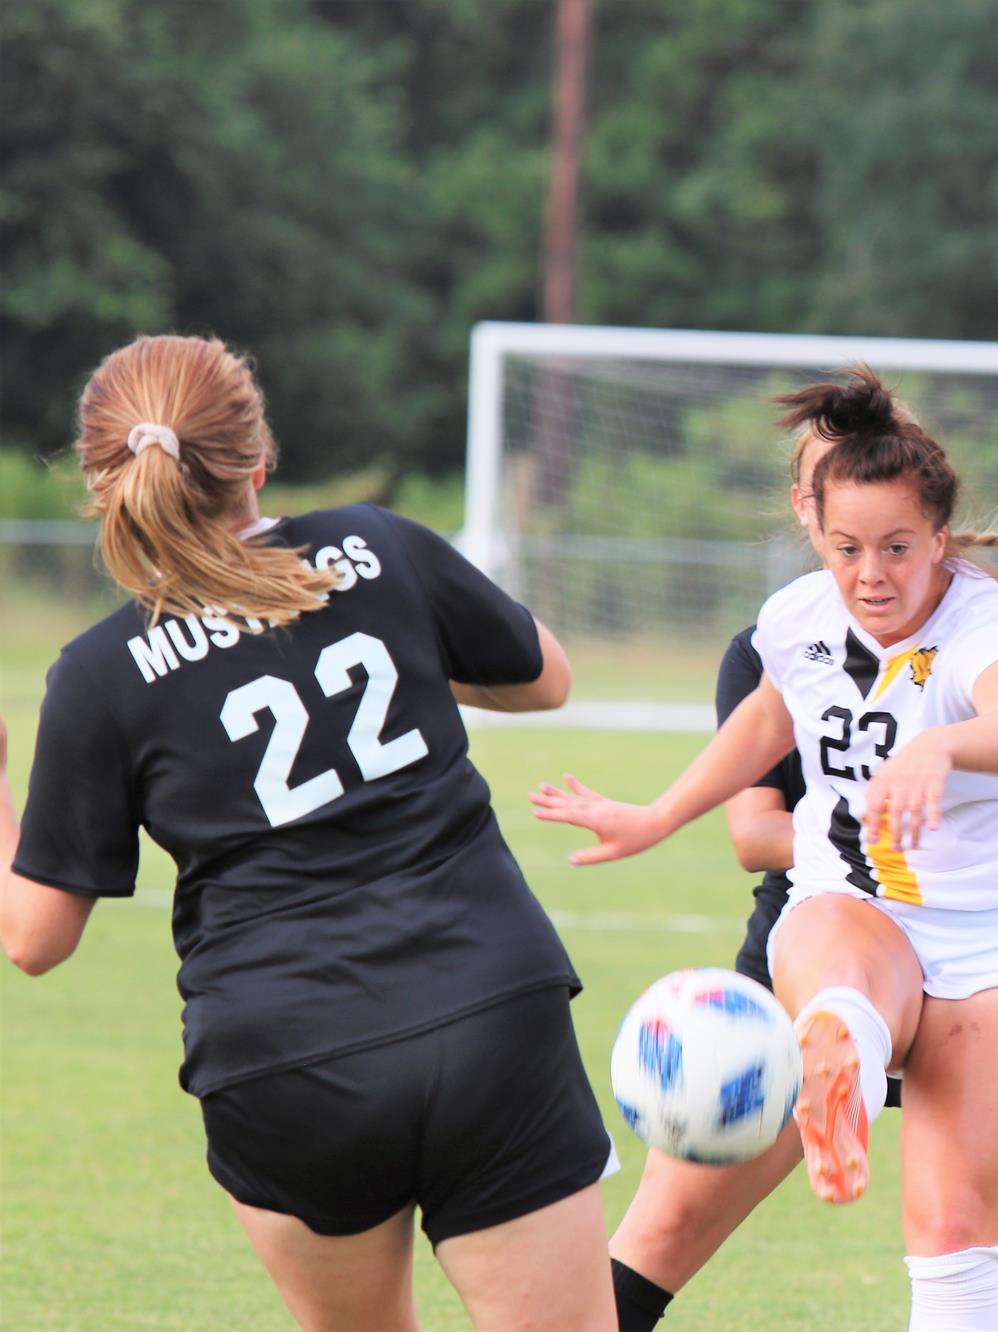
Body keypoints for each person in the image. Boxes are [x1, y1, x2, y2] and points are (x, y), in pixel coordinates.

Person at [0, 335, 618, 1331]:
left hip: (287, 1054)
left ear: (100, 481)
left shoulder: (99, 672)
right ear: (259, 458)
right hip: (488, 1000)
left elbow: (34, 939)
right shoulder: (380, 545)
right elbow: (543, 678)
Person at [534, 368, 998, 1330]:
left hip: (988, 943)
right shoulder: (801, 617)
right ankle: (834, 1053)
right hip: (849, 906)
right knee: (836, 952)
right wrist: (657, 814)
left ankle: (840, 1050)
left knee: (953, 1235)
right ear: (811, 526)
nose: (870, 575)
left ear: (939, 537)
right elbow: (768, 720)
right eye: (846, 548)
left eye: (895, 548)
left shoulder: (987, 625)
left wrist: (942, 744)